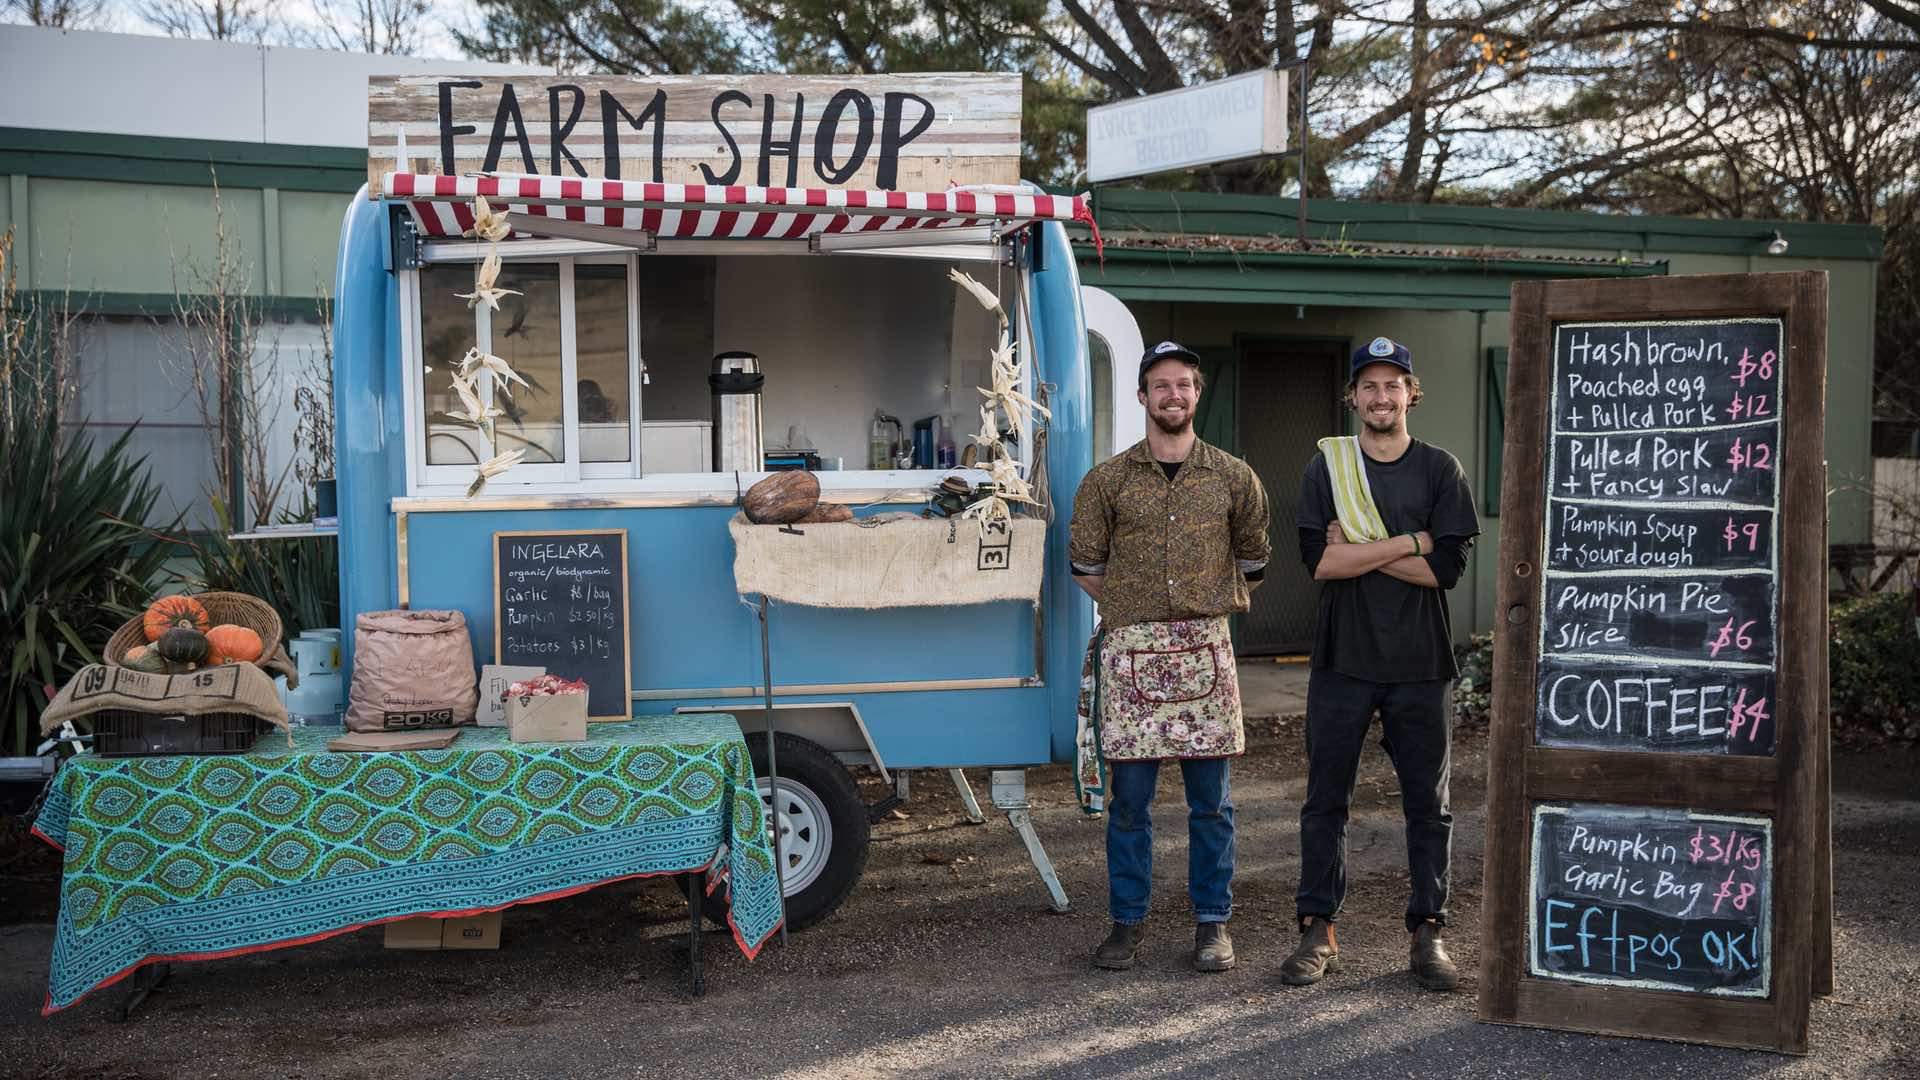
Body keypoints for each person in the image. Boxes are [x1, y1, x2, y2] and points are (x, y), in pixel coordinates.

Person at [1281, 336, 1479, 992]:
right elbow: (1321, 562)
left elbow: (1445, 570)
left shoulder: (1440, 470)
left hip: (1422, 664)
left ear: (1411, 395)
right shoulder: (1327, 469)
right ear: (1353, 397)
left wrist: (1363, 545)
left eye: (1393, 384)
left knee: (1429, 805)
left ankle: (1428, 933)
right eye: (1369, 385)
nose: (1381, 396)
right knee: (1324, 801)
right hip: (1343, 660)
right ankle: (1319, 930)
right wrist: (1407, 542)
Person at [1069, 340, 1272, 973]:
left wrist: (1196, 607)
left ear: (1197, 392)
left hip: (1205, 651)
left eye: (1184, 384)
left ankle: (1213, 924)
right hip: (1130, 651)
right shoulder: (1106, 480)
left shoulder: (1234, 477)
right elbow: (1085, 565)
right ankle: (1126, 924)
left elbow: (1255, 561)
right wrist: (1140, 607)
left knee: (1212, 802)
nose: (1173, 395)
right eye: (1161, 385)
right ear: (1142, 397)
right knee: (1130, 803)